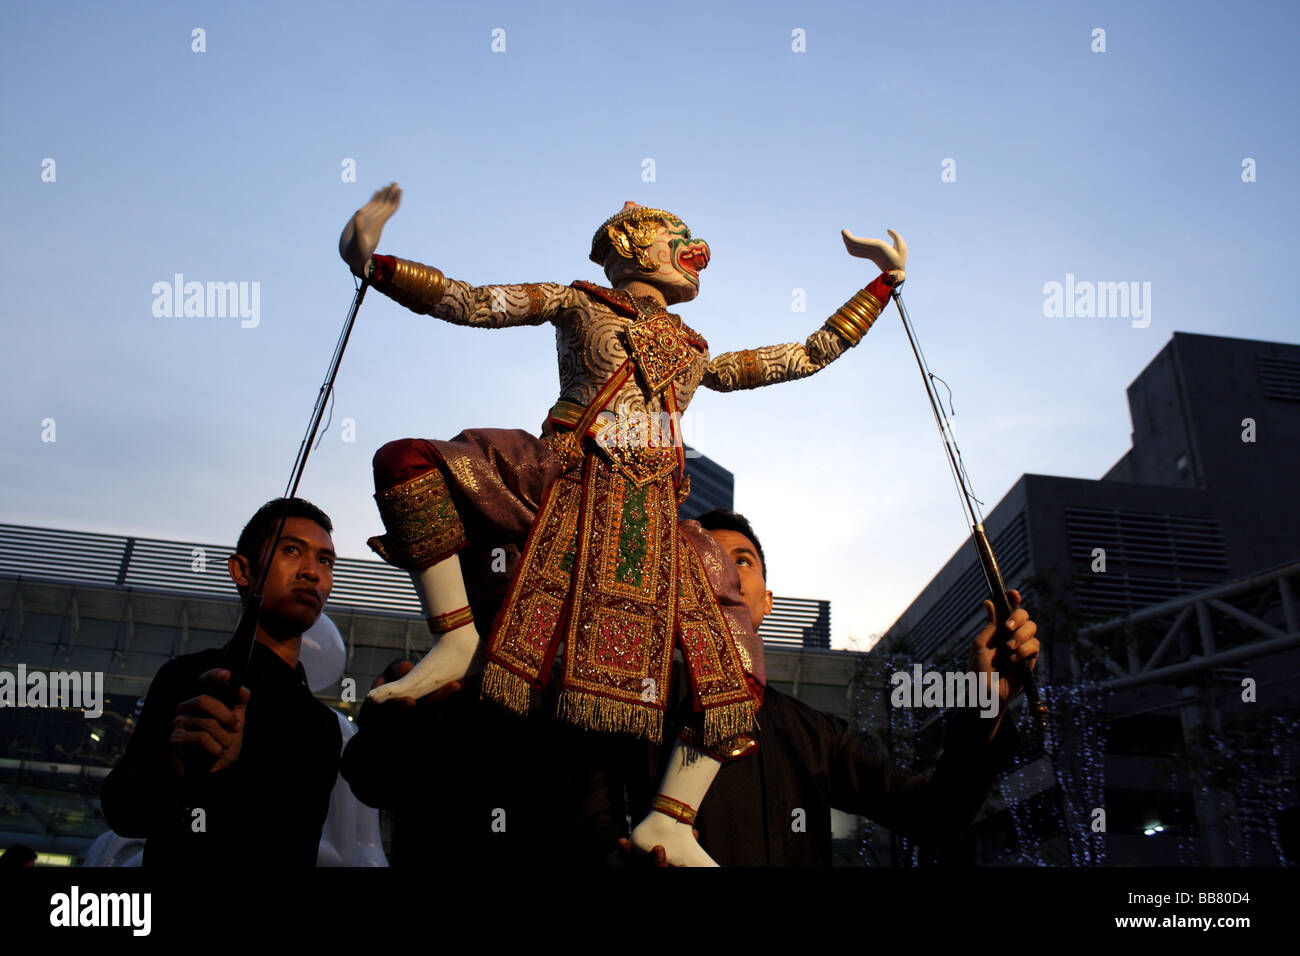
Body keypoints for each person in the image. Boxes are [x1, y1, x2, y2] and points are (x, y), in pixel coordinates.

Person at [337, 184, 907, 865]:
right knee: (409, 462)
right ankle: (455, 639)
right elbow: (475, 301)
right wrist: (378, 265)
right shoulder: (577, 302)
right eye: (680, 240)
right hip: (562, 474)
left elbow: (807, 354)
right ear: (634, 246)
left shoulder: (696, 352)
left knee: (734, 657)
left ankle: (671, 815)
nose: (697, 255)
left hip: (654, 512)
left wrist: (880, 288)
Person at [662, 509, 1039, 866]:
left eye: (742, 561)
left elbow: (936, 817)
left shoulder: (817, 735)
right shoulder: (633, 700)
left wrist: (985, 701)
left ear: (768, 602)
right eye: (705, 557)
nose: (726, 571)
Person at [99, 498, 342, 867]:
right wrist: (179, 772)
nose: (312, 572)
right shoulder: (190, 679)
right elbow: (124, 811)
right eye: (291, 550)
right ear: (241, 570)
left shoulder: (323, 725)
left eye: (325, 561)